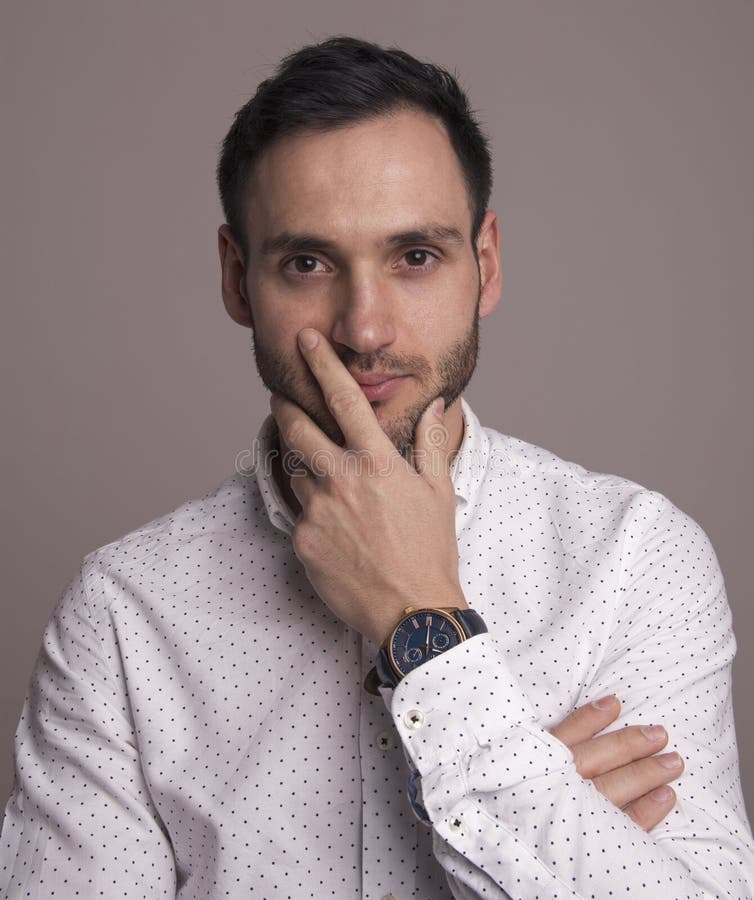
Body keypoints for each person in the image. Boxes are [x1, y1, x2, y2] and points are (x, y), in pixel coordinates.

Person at [1, 35, 752, 899]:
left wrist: (420, 621)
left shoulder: (635, 559)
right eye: (308, 263)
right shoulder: (123, 615)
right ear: (239, 280)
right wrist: (538, 814)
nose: (365, 329)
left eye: (416, 257)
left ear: (487, 263)